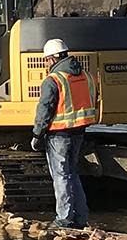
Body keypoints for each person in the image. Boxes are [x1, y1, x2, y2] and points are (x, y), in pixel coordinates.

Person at [31, 37, 97, 229]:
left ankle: (64, 219)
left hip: (59, 134)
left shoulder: (54, 80)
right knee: (72, 173)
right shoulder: (86, 76)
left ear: (52, 59)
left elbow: (45, 109)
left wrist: (37, 134)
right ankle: (81, 217)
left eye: (47, 60)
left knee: (61, 176)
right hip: (79, 131)